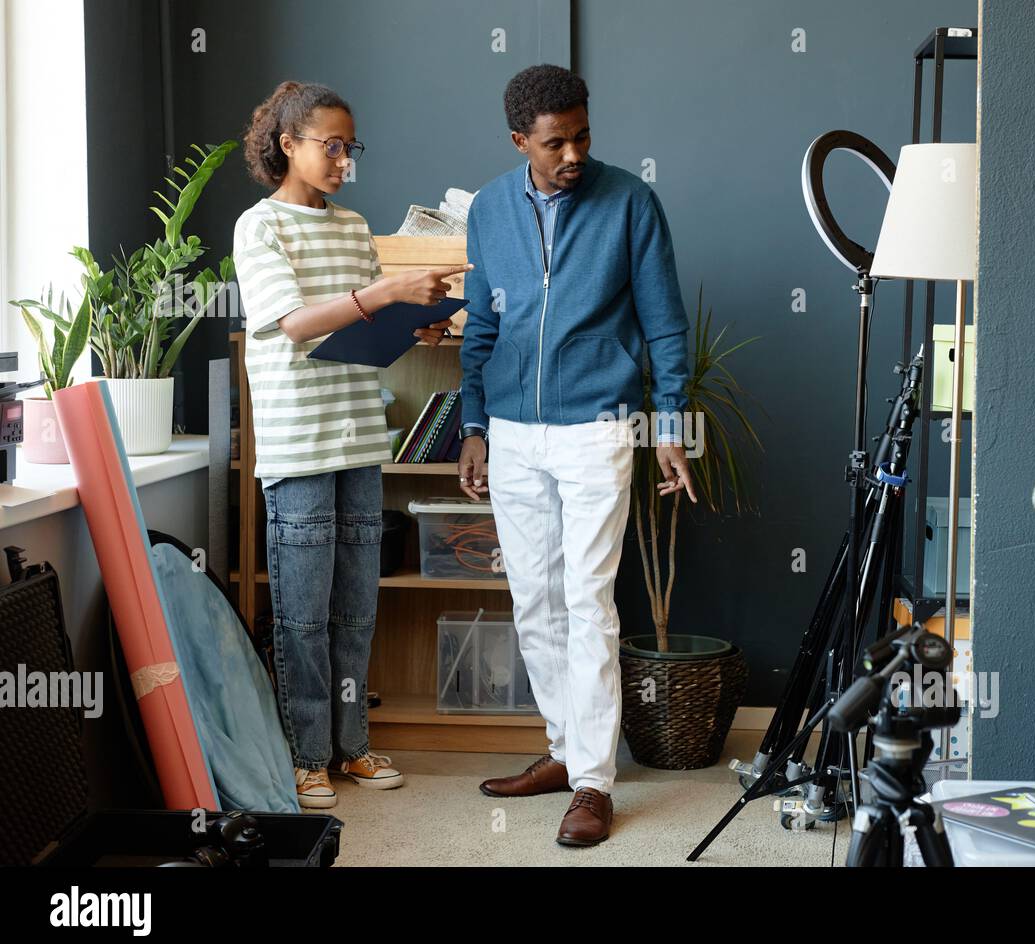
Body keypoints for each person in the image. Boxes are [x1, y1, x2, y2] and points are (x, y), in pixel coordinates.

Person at [441, 64, 697, 846]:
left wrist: (670, 427)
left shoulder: (629, 203)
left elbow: (664, 325)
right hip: (514, 431)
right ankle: (562, 747)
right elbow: (481, 328)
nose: (575, 154)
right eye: (557, 142)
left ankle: (592, 780)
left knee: (588, 602)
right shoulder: (488, 210)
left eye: (583, 135)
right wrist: (474, 426)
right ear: (521, 140)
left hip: (598, 426)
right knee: (534, 602)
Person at [234, 80, 471, 809]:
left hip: (359, 438)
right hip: (299, 446)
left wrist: (417, 329)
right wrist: (391, 294)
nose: (343, 160)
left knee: (355, 609)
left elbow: (363, 340)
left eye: (349, 147)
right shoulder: (260, 227)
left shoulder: (352, 226)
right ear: (288, 145)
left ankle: (353, 745)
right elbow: (297, 324)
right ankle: (308, 757)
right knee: (302, 614)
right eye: (330, 146)